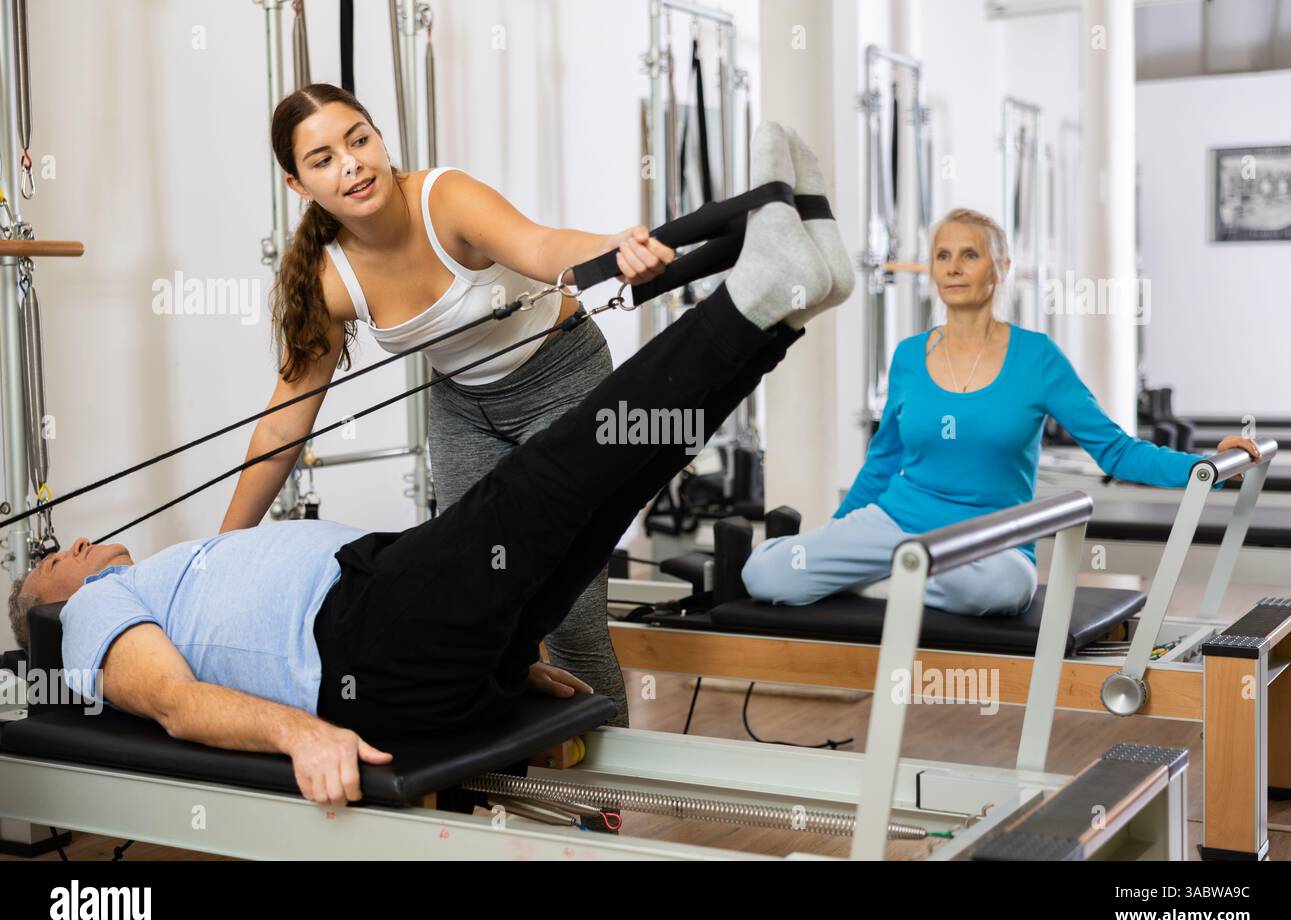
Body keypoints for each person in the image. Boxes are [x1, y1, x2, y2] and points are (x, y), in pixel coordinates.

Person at [9, 123, 852, 806]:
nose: (72, 546)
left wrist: (498, 661)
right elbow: (172, 702)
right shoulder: (90, 622)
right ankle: (762, 296)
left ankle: (782, 304)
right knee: (564, 481)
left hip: (402, 615)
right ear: (43, 618)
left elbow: (540, 244)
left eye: (358, 140)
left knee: (605, 486)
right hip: (366, 639)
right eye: (50, 563)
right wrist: (303, 733)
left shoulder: (162, 572)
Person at [219, 83, 677, 728]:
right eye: (322, 159)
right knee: (470, 599)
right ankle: (495, 780)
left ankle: (604, 798)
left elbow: (542, 248)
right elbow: (283, 423)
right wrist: (220, 551)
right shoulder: (327, 279)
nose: (351, 164)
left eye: (358, 139)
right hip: (465, 411)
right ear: (299, 185)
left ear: (379, 139)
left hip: (565, 381)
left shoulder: (445, 200)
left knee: (570, 611)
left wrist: (612, 248)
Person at [742, 208, 1259, 614]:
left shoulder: (1037, 359)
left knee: (1005, 592)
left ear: (1001, 267)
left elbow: (1115, 450)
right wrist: (835, 538)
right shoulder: (907, 356)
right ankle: (885, 572)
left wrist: (1204, 468)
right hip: (895, 522)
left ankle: (884, 580)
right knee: (764, 576)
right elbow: (881, 463)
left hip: (989, 542)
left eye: (969, 255)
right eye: (942, 256)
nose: (953, 267)